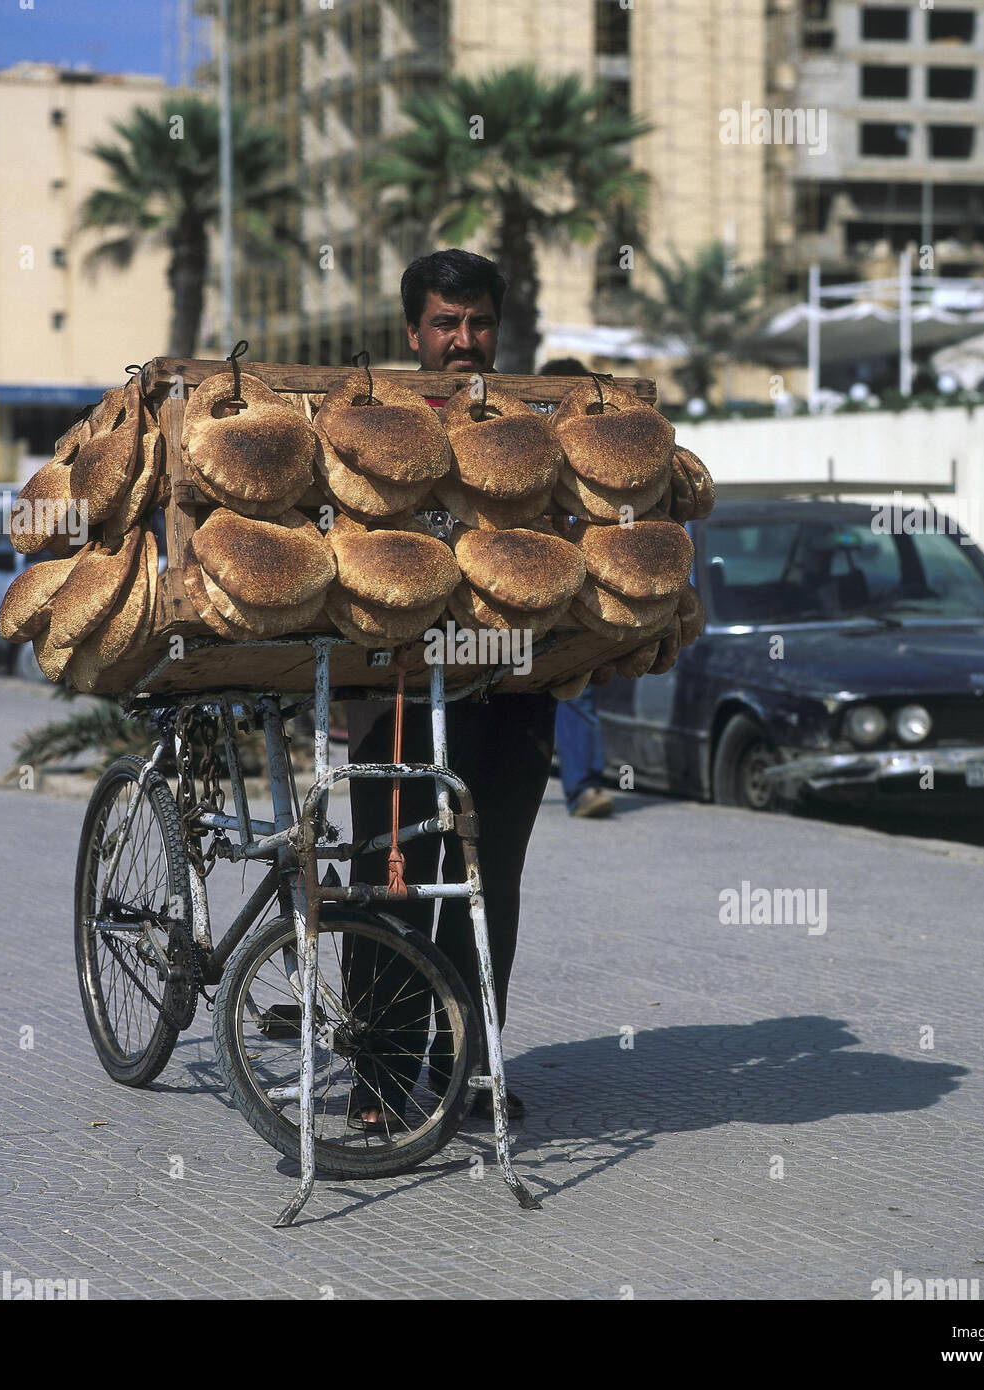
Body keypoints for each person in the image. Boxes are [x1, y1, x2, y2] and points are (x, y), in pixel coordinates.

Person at [345, 249, 555, 1126]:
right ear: (412, 331)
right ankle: (379, 1082)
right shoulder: (371, 422)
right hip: (393, 693)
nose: (462, 341)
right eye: (445, 323)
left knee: (487, 882)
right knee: (390, 883)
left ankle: (468, 1066)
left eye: (476, 325)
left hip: (511, 689)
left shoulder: (532, 426)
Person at [538, 358, 615, 820]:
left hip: (577, 597)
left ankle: (584, 786)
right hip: (532, 590)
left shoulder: (596, 460)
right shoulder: (530, 449)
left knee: (576, 688)